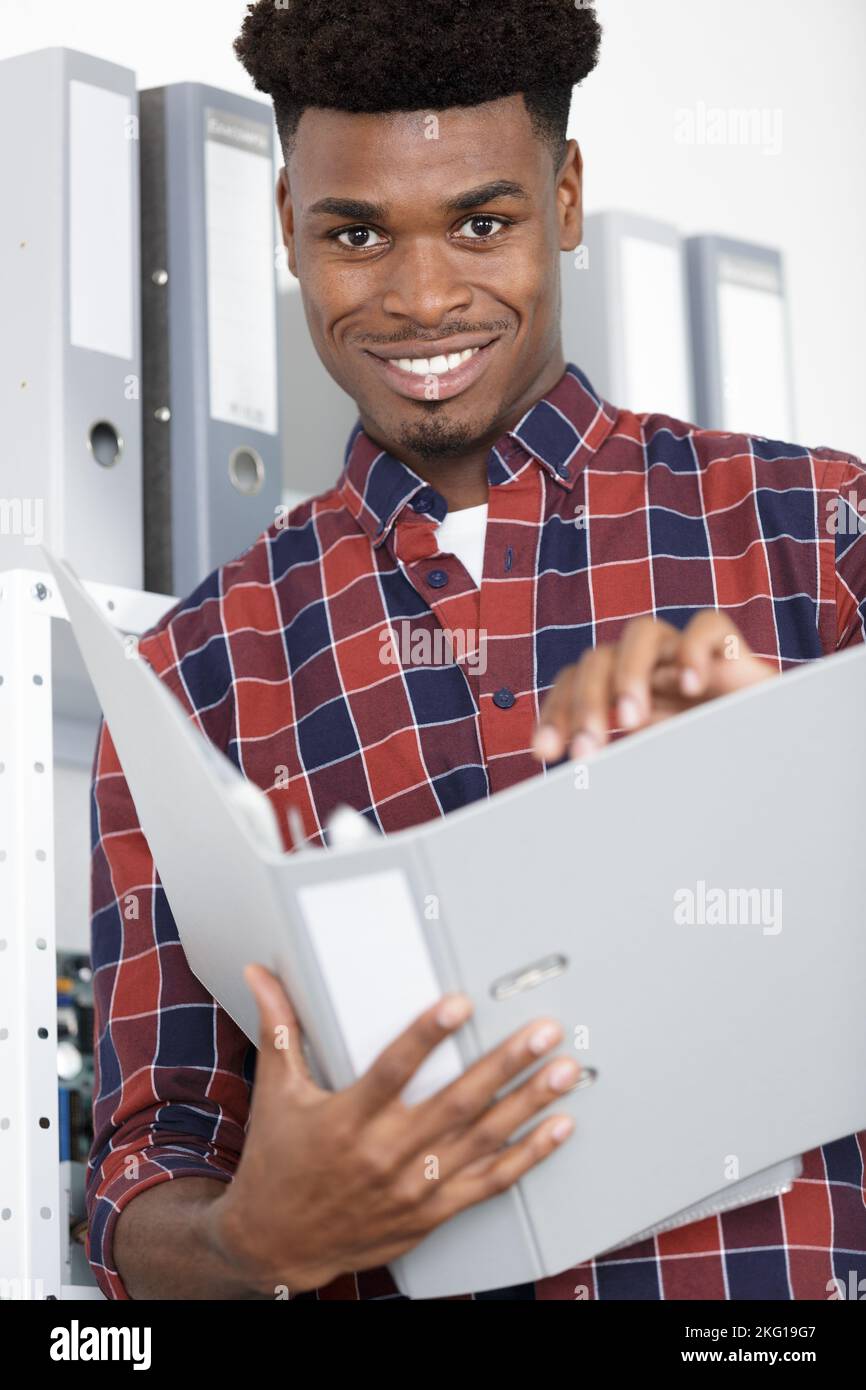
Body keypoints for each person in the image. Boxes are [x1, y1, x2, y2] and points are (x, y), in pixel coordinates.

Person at [87, 0, 866, 1300]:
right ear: (286, 227)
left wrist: (799, 777)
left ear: (564, 198)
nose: (423, 297)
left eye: (480, 223)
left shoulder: (818, 533)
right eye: (354, 235)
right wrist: (249, 1241)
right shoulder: (189, 669)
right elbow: (145, 1168)